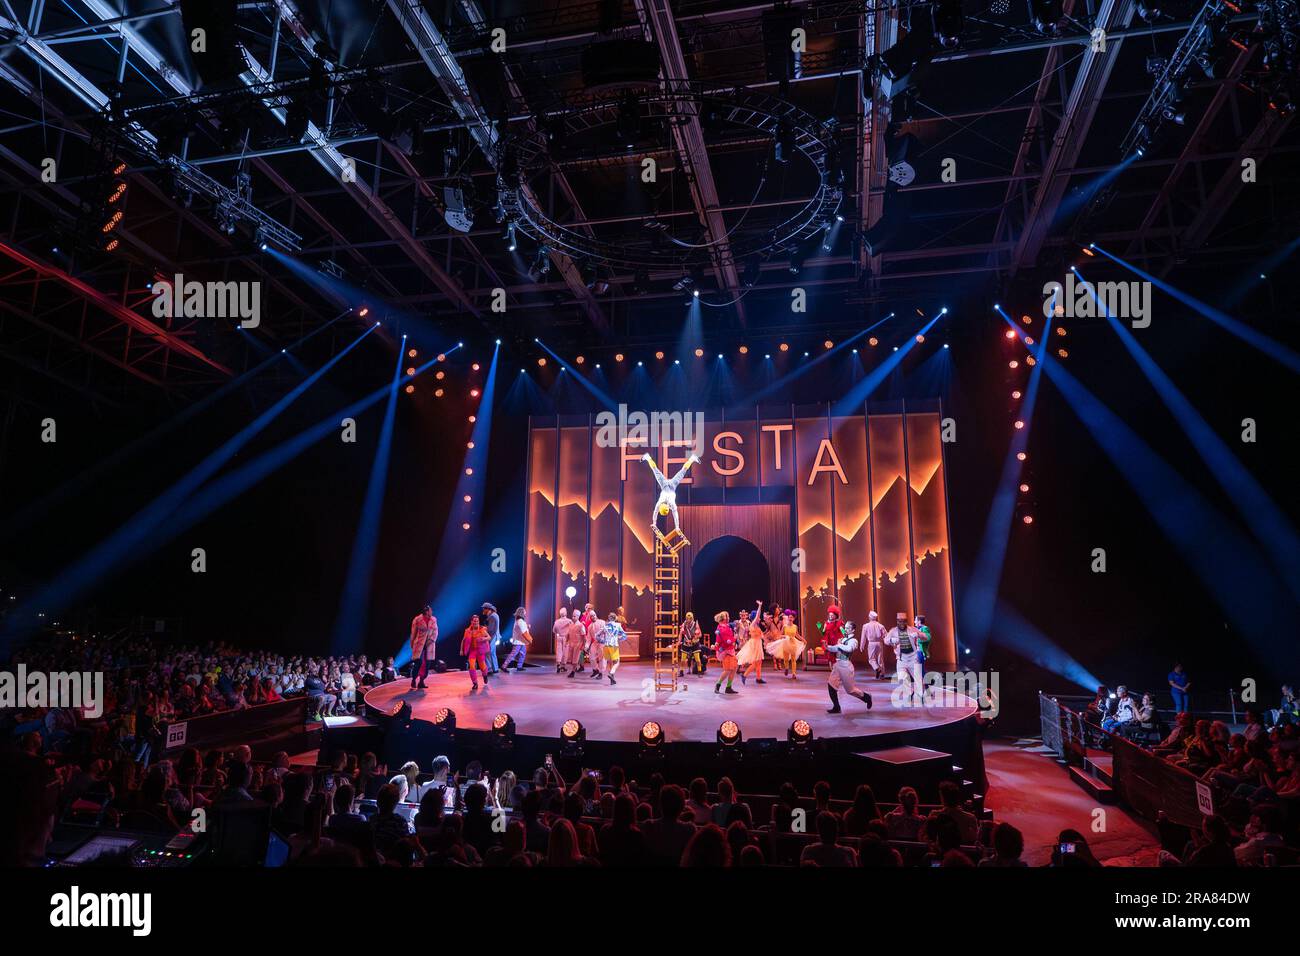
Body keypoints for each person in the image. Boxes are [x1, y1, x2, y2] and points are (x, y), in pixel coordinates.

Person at [642, 452, 700, 535]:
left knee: (682, 471)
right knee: (656, 471)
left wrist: (677, 526)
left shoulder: (670, 504)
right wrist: (654, 523)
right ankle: (648, 458)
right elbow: (656, 512)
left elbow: (675, 515)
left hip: (670, 486)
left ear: (667, 507)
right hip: (668, 486)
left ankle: (692, 459)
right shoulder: (661, 504)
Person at [826, 621, 873, 714]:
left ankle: (866, 697)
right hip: (838, 665)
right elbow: (836, 648)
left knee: (850, 690)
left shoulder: (853, 641)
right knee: (831, 685)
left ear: (853, 630)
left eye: (848, 628)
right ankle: (836, 707)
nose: (845, 629)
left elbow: (849, 649)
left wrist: (839, 644)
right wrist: (827, 647)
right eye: (845, 627)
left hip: (846, 666)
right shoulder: (843, 640)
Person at [884, 613, 923, 705]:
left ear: (906, 621)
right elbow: (886, 640)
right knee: (902, 677)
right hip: (901, 659)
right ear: (897, 622)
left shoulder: (912, 629)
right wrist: (891, 640)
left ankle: (920, 695)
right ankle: (909, 692)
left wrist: (918, 634)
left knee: (917, 678)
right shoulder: (893, 631)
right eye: (899, 621)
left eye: (903, 621)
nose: (901, 623)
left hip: (913, 658)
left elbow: (926, 637)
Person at [766, 611, 806, 680]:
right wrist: (785, 636)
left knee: (793, 659)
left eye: (792, 617)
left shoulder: (795, 626)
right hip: (786, 643)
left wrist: (803, 639)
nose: (790, 618)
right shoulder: (785, 626)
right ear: (788, 618)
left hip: (793, 643)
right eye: (789, 617)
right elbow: (780, 635)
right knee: (786, 659)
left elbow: (797, 635)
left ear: (794, 619)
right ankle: (787, 668)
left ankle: (794, 673)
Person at [737, 602, 767, 685]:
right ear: (755, 618)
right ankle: (744, 675)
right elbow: (758, 615)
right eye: (758, 618)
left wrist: (767, 642)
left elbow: (762, 636)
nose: (760, 619)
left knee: (759, 661)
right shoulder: (753, 625)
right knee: (756, 662)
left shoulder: (757, 626)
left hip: (758, 643)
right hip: (754, 644)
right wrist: (760, 606)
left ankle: (758, 678)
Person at [409, 605, 438, 689]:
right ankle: (414, 679)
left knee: (427, 665)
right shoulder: (417, 620)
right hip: (419, 645)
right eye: (430, 610)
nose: (431, 611)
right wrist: (412, 644)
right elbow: (413, 633)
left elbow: (436, 632)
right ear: (426, 612)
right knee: (419, 662)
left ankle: (421, 682)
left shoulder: (434, 619)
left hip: (429, 645)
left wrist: (432, 640)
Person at [460, 615, 492, 691]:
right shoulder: (467, 631)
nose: (476, 622)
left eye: (477, 621)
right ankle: (475, 683)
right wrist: (461, 650)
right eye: (474, 621)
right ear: (471, 622)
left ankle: (485, 675)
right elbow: (463, 640)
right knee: (471, 666)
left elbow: (489, 637)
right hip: (472, 651)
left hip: (480, 651)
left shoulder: (482, 629)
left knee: (483, 666)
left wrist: (484, 638)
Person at [600, 612, 629, 685]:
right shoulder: (618, 625)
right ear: (615, 618)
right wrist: (619, 639)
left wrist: (602, 641)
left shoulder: (605, 626)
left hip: (606, 646)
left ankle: (612, 679)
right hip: (614, 646)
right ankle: (612, 673)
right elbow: (624, 635)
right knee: (617, 662)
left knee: (610, 662)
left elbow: (597, 635)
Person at [713, 612, 738, 695]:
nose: (729, 618)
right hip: (725, 650)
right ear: (724, 619)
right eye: (727, 616)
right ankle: (718, 685)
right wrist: (735, 639)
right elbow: (727, 641)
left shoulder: (725, 626)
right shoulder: (722, 628)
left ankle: (728, 687)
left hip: (729, 649)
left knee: (734, 668)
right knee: (728, 669)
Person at [503, 606, 531, 671]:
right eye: (524, 612)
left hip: (521, 641)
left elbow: (522, 628)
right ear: (521, 613)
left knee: (522, 653)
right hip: (518, 641)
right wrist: (529, 639)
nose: (525, 614)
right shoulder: (520, 621)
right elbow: (523, 631)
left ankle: (519, 666)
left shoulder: (519, 621)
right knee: (513, 654)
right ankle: (504, 666)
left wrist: (527, 626)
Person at [861, 610, 887, 680]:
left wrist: (862, 645)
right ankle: (882, 674)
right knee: (880, 658)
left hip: (871, 643)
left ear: (869, 617)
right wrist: (887, 642)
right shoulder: (880, 626)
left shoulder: (866, 626)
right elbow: (885, 635)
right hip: (879, 643)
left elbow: (863, 637)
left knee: (871, 659)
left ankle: (877, 668)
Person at [480, 602, 502, 674]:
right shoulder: (494, 615)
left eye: (484, 608)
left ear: (488, 609)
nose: (483, 610)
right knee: (492, 653)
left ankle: (490, 669)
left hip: (492, 636)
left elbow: (491, 629)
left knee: (487, 652)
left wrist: (484, 628)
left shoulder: (492, 616)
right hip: (494, 636)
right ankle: (494, 668)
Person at [564, 612, 587, 678]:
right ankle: (574, 669)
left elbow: (583, 636)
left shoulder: (580, 625)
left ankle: (573, 671)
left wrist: (583, 645)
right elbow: (568, 634)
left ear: (578, 617)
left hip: (578, 644)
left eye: (575, 616)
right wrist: (566, 641)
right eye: (572, 616)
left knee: (575, 658)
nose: (573, 617)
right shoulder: (570, 625)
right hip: (571, 643)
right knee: (571, 658)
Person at [586, 614, 608, 680]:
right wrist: (586, 646)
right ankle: (595, 670)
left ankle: (601, 673)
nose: (593, 617)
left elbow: (606, 633)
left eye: (594, 615)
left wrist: (606, 642)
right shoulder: (589, 627)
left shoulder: (602, 622)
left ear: (596, 615)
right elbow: (588, 638)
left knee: (602, 658)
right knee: (591, 657)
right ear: (590, 618)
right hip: (595, 643)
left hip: (602, 642)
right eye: (592, 616)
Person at [552, 608, 573, 673]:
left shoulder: (557, 621)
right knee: (565, 652)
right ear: (566, 613)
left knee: (559, 651)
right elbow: (572, 629)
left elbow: (554, 630)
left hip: (559, 637)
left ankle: (558, 665)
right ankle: (563, 666)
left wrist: (558, 633)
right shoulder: (569, 621)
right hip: (566, 637)